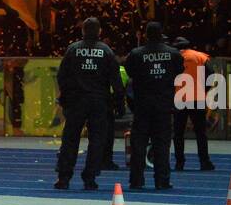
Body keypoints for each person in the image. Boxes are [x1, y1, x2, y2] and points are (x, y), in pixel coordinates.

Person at [55, 17, 124, 190]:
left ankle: (64, 177)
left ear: (83, 31)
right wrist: (119, 103)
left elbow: (62, 76)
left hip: (76, 101)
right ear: (99, 31)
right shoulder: (106, 51)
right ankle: (90, 178)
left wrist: (64, 98)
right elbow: (116, 81)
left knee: (70, 139)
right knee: (97, 140)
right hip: (99, 102)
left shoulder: (73, 49)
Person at [124, 21, 182, 191]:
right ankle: (162, 180)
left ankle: (136, 180)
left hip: (142, 105)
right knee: (162, 145)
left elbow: (130, 73)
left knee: (138, 144)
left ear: (145, 35)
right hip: (163, 105)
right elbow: (178, 73)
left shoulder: (136, 54)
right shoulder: (173, 54)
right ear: (161, 34)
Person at [172, 35, 215, 171]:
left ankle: (179, 163)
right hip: (197, 98)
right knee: (200, 133)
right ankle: (204, 162)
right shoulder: (200, 57)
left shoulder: (173, 57)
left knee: (178, 133)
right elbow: (211, 75)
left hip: (179, 98)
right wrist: (204, 90)